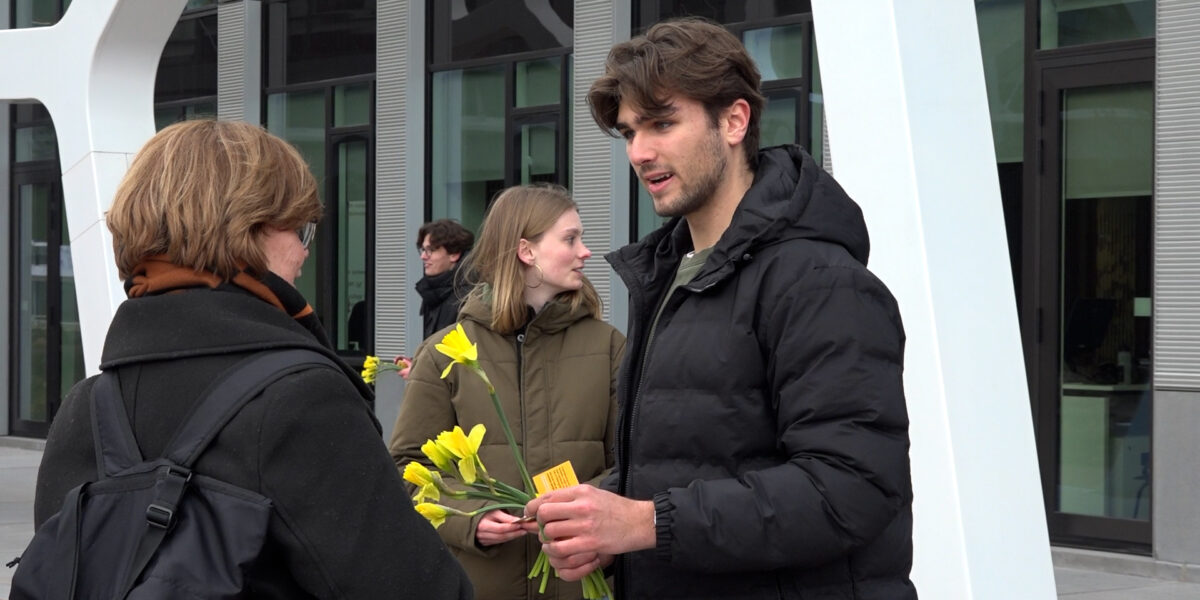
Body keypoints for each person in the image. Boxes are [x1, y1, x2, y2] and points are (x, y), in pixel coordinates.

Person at [524, 17, 916, 599]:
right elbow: (700, 461)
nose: (639, 151)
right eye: (630, 131)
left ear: (734, 120)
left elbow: (851, 486)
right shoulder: (669, 277)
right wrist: (600, 515)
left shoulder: (819, 282)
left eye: (662, 123)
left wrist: (645, 522)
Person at [31, 120, 472, 599]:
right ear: (248, 228)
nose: (304, 251)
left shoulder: (86, 407)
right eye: (299, 228)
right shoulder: (300, 398)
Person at [389, 184, 625, 600]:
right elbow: (406, 470)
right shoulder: (446, 352)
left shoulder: (609, 347)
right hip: (478, 586)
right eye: (570, 239)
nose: (585, 251)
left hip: (578, 586)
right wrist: (468, 518)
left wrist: (588, 510)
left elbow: (635, 462)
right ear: (525, 251)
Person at [416, 218, 475, 339]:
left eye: (430, 250)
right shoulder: (434, 291)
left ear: (454, 253)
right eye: (423, 250)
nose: (423, 256)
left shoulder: (469, 295)